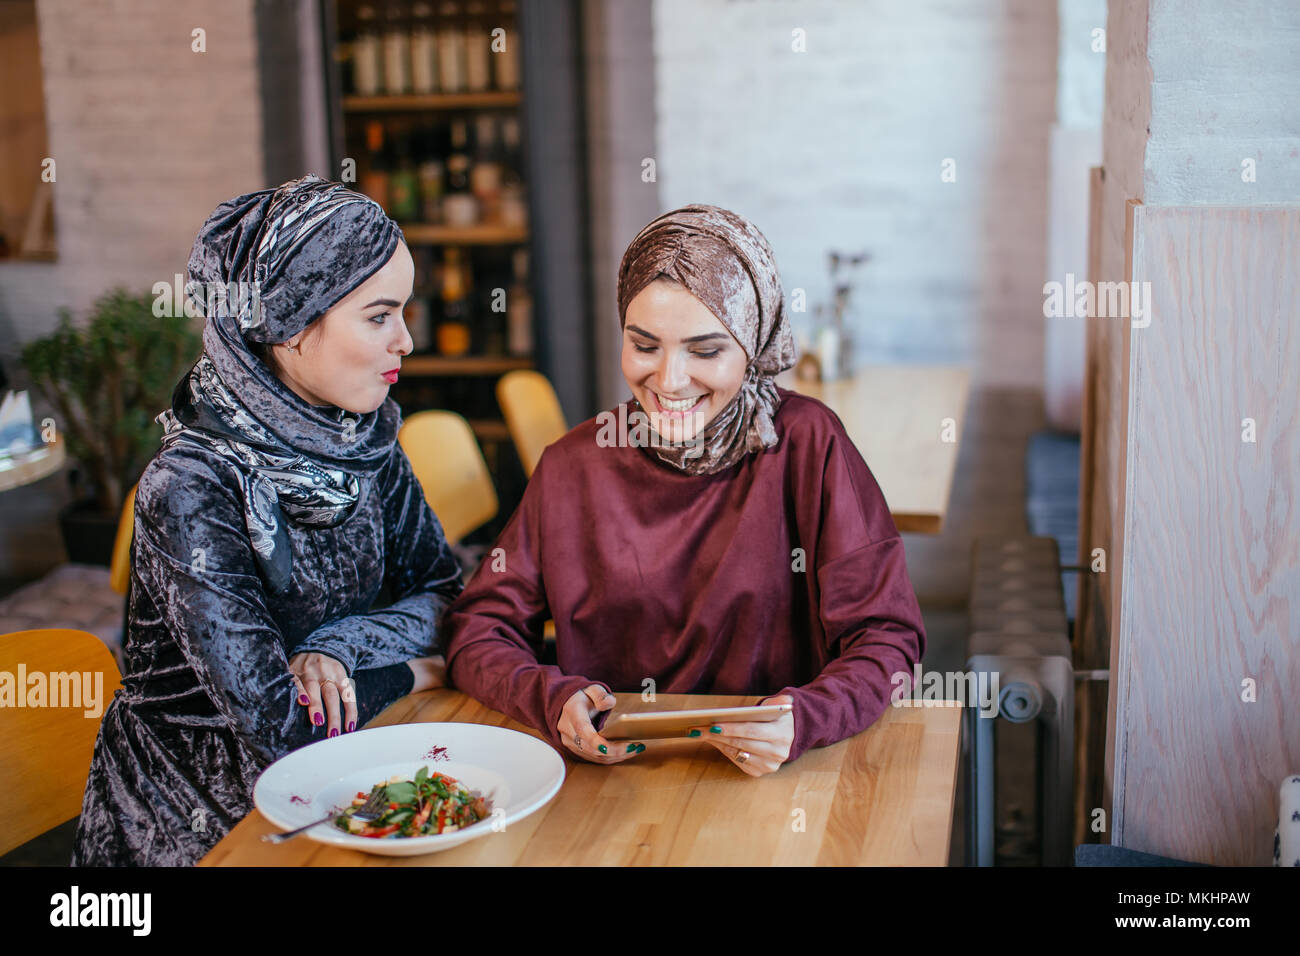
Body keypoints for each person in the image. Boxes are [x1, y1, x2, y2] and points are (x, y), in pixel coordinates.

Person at [443, 204, 926, 776]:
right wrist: (549, 696)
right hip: (617, 792)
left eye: (705, 350)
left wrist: (808, 715)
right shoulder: (573, 467)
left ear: (753, 345)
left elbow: (888, 638)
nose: (669, 381)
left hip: (780, 783)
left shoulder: (806, 444)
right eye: (644, 346)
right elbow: (476, 633)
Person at [73, 175, 462, 866]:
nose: (407, 339)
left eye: (405, 311)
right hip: (200, 823)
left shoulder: (361, 440)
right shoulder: (189, 486)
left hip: (346, 783)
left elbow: (446, 595)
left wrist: (342, 643)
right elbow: (284, 729)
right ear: (287, 326)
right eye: (379, 316)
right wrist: (415, 674)